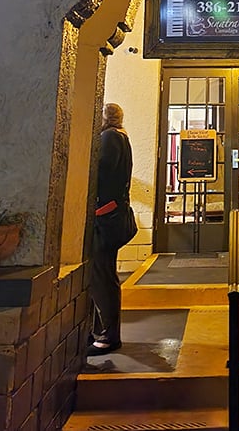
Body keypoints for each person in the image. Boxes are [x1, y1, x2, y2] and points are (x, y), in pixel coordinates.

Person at [88, 102, 135, 356]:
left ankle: (107, 334)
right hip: (114, 216)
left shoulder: (109, 138)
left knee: (102, 277)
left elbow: (100, 173)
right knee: (104, 275)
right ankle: (102, 332)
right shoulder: (122, 137)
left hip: (105, 219)